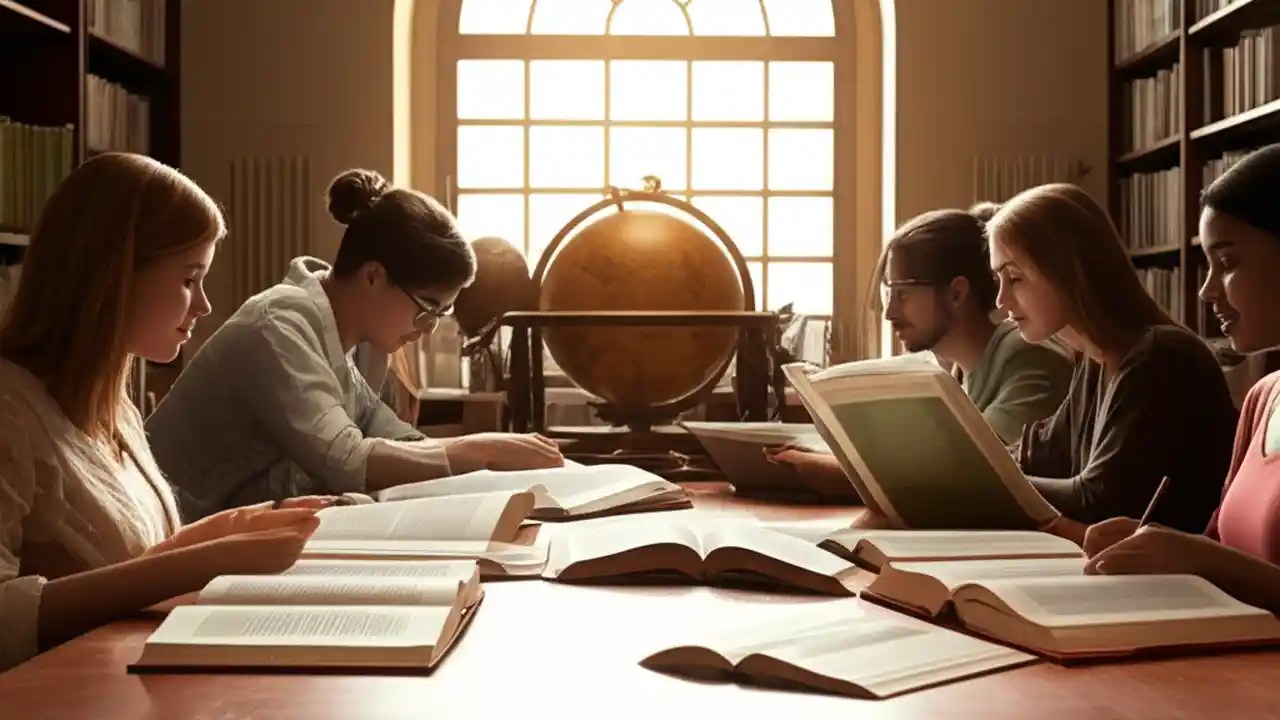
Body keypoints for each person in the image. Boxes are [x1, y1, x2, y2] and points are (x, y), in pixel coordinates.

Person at [0, 153, 325, 672]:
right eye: (189, 278)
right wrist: (209, 560)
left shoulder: (114, 406)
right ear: (113, 274)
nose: (204, 307)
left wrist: (236, 527)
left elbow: (130, 561)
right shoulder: (10, 411)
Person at [146, 169, 564, 520]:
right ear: (372, 277)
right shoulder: (280, 326)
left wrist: (498, 460)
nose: (429, 329)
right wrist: (483, 450)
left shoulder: (340, 341)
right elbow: (347, 460)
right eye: (428, 309)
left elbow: (391, 437)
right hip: (169, 536)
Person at [1084, 144, 1280, 614]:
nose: (1206, 289)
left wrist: (1198, 559)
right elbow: (1219, 547)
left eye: (1227, 263)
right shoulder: (1262, 398)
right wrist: (1161, 545)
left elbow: (1218, 563)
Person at [986, 183, 1238, 543]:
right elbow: (1037, 459)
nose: (1001, 299)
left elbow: (1098, 502)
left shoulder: (1162, 357)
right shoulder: (1096, 361)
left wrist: (983, 483)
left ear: (1069, 270)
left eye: (1014, 278)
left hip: (1178, 589)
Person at [768, 204, 1073, 487]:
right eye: (889, 295)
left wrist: (832, 471)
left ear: (956, 293)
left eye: (903, 294)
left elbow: (969, 475)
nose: (889, 313)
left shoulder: (1029, 357)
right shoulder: (958, 372)